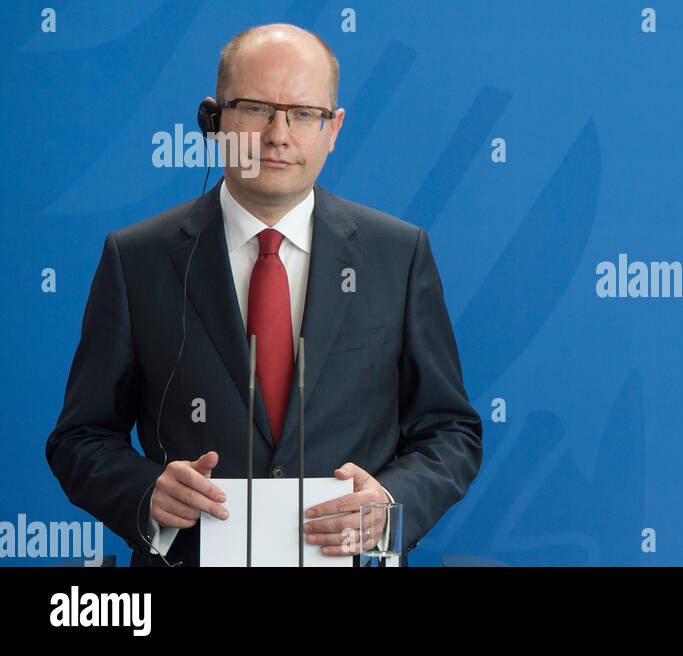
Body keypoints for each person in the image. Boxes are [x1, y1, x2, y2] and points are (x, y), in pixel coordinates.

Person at [46, 24, 482, 566]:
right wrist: (145, 491)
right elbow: (80, 438)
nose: (278, 134)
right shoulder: (136, 258)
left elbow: (450, 430)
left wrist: (392, 506)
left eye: (304, 113)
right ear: (215, 119)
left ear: (334, 127)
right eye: (255, 108)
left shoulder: (399, 254)